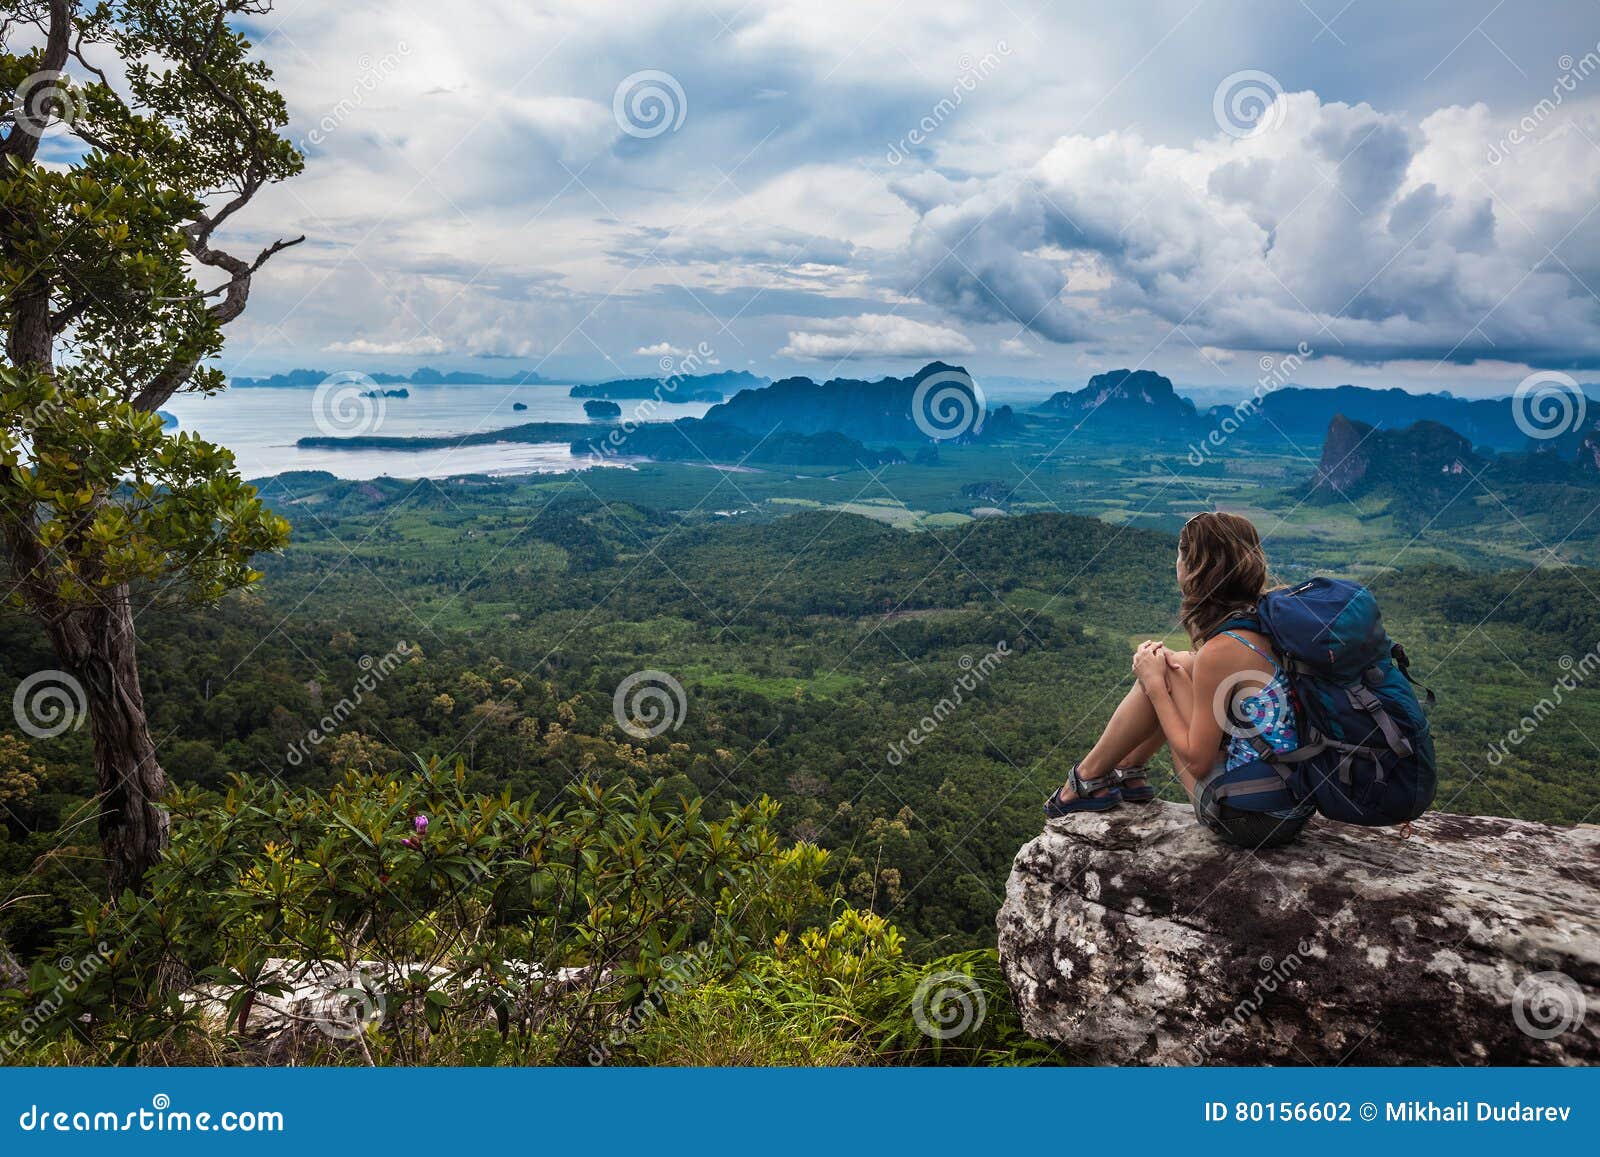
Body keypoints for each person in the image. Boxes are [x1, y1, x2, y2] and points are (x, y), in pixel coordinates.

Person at [1044, 511, 1312, 849]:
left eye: (1180, 554)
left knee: (1163, 673)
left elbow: (1198, 762)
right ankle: (1129, 770)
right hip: (1290, 800)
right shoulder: (1270, 618)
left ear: (1195, 566)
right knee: (1180, 662)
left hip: (1251, 820)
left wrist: (1155, 685)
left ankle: (1085, 780)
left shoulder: (1222, 650)